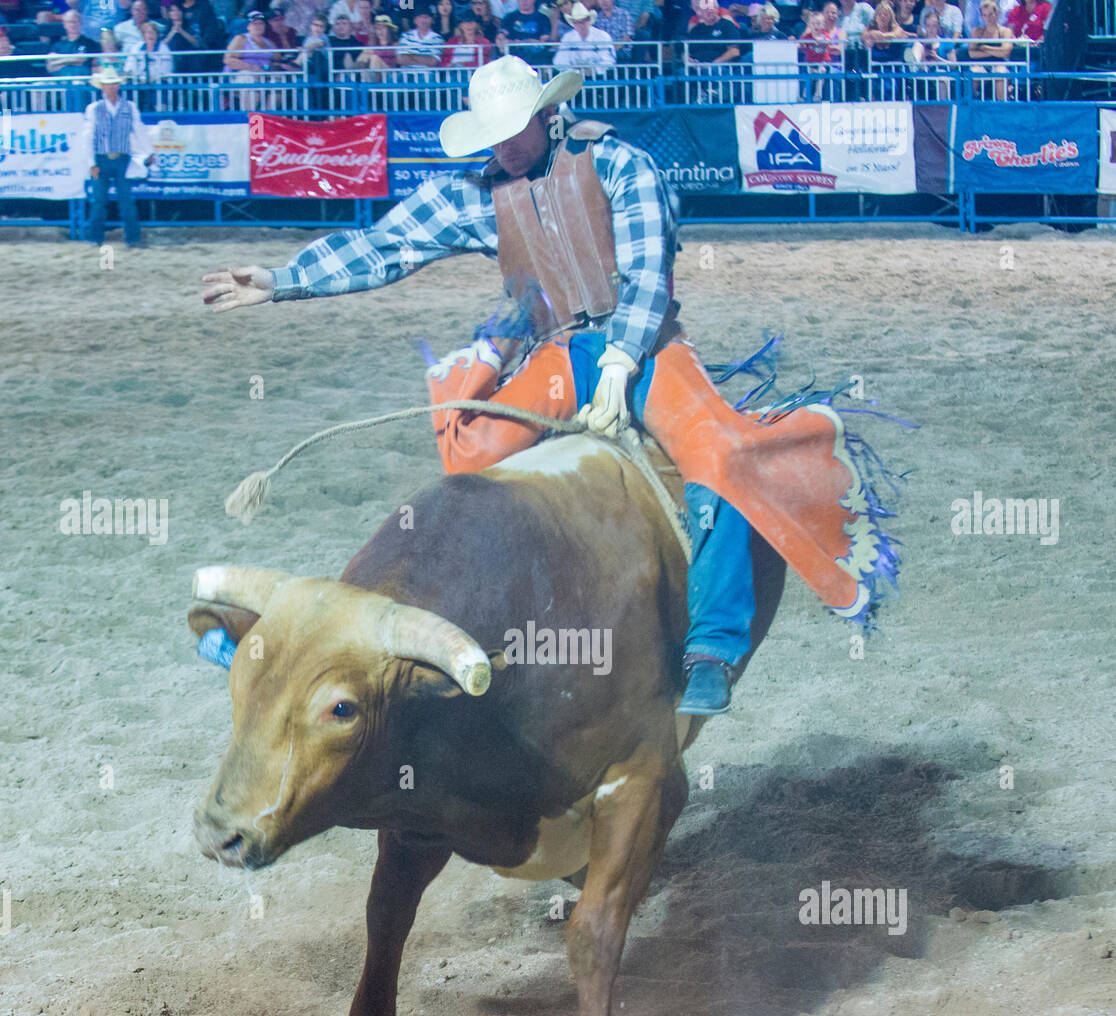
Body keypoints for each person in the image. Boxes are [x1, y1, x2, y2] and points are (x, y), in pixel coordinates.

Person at [202, 57, 890, 714]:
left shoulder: (619, 163)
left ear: (548, 115)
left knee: (717, 456)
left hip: (647, 344)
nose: (505, 149)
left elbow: (649, 268)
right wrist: (283, 280)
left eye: (514, 133)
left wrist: (623, 356)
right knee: (468, 452)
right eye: (493, 139)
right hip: (559, 350)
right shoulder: (478, 194)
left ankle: (711, 646)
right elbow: (385, 245)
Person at [81, 64, 153, 246]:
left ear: (118, 86)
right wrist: (91, 163)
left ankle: (133, 239)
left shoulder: (130, 107)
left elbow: (139, 131)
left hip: (122, 159)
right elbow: (88, 137)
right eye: (107, 84)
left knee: (126, 201)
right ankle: (95, 238)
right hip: (101, 159)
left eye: (113, 84)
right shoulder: (94, 109)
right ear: (102, 87)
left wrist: (149, 152)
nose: (111, 87)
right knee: (99, 201)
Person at [47, 8, 100, 107]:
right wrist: (73, 59)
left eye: (75, 22)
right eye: (69, 22)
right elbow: (50, 67)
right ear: (64, 24)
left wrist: (60, 60)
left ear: (80, 23)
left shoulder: (91, 44)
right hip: (61, 80)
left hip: (83, 80)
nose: (72, 25)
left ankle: (78, 115)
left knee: (77, 82)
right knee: (39, 85)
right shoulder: (57, 46)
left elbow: (83, 60)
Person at [553, 1, 616, 71]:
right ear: (573, 23)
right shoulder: (567, 37)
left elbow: (609, 60)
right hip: (573, 76)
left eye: (583, 21)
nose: (580, 25)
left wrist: (594, 69)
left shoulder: (603, 36)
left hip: (599, 78)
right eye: (576, 22)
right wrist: (572, 69)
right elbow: (559, 60)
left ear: (589, 20)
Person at [967, 0, 1011, 95]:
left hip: (1000, 64)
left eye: (991, 14)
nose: (988, 18)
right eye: (985, 15)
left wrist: (986, 48)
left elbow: (1006, 52)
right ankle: (970, 106)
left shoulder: (1005, 31)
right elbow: (972, 54)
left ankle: (1001, 105)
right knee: (974, 72)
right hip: (980, 65)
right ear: (982, 17)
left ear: (997, 13)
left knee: (1000, 72)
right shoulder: (977, 31)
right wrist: (997, 51)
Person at [496, 0, 551, 65]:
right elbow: (501, 36)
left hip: (536, 58)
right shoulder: (509, 17)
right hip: (514, 58)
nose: (524, 1)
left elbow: (543, 41)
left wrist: (516, 42)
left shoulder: (543, 18)